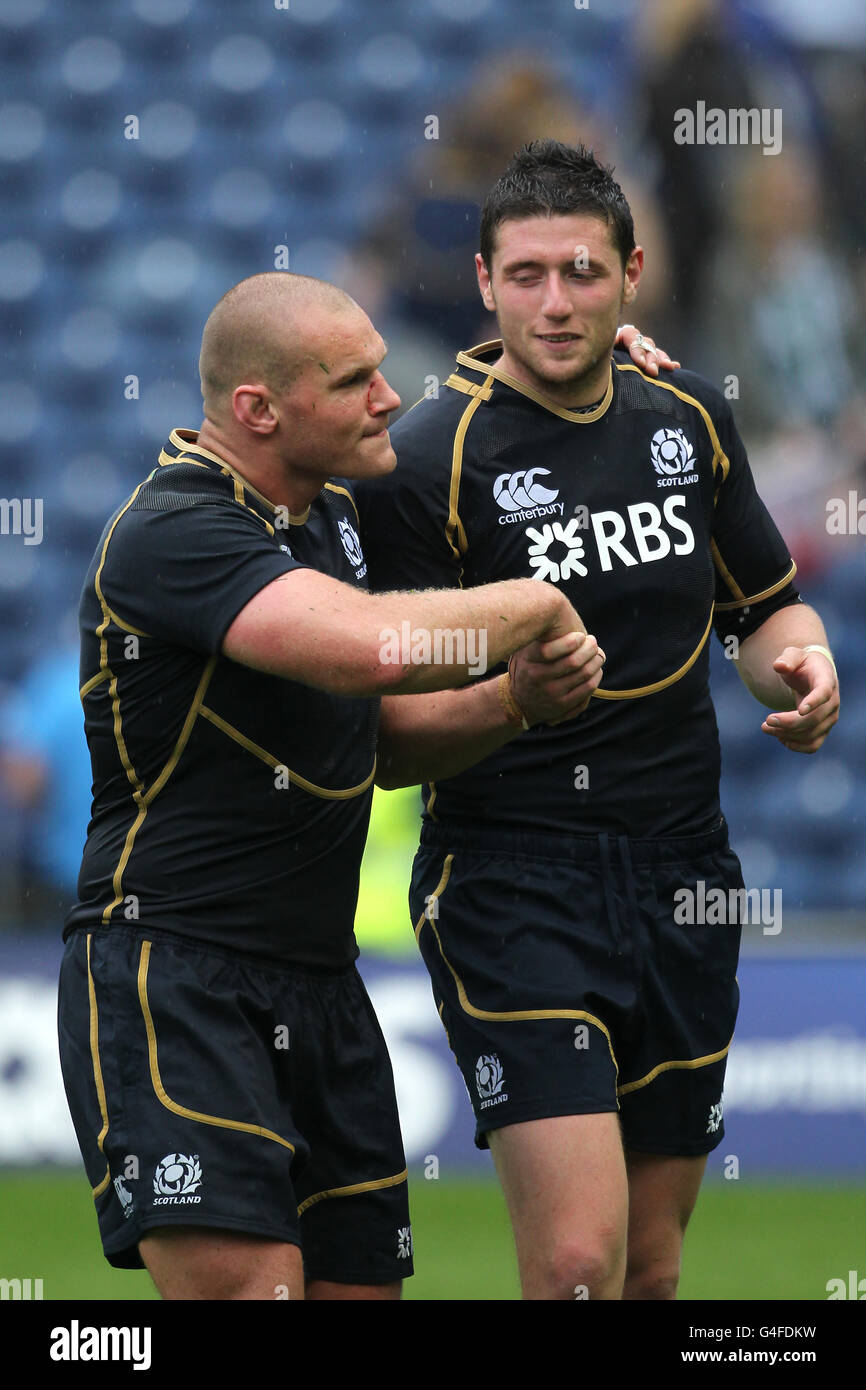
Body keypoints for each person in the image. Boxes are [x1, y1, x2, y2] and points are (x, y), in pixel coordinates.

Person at [57, 271, 610, 1302]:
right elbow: (377, 651)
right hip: (175, 975)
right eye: (352, 380)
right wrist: (535, 603)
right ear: (258, 410)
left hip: (319, 987)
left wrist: (516, 702)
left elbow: (383, 742)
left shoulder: (330, 519)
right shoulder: (173, 529)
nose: (386, 395)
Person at [356, 140, 840, 1301]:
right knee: (576, 1263)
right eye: (523, 275)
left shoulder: (685, 420)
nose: (554, 301)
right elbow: (383, 741)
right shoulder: (425, 465)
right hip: (513, 881)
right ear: (481, 282)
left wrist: (804, 666)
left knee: (651, 1271)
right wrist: (512, 700)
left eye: (580, 271)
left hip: (683, 870)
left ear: (631, 273)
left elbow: (765, 606)